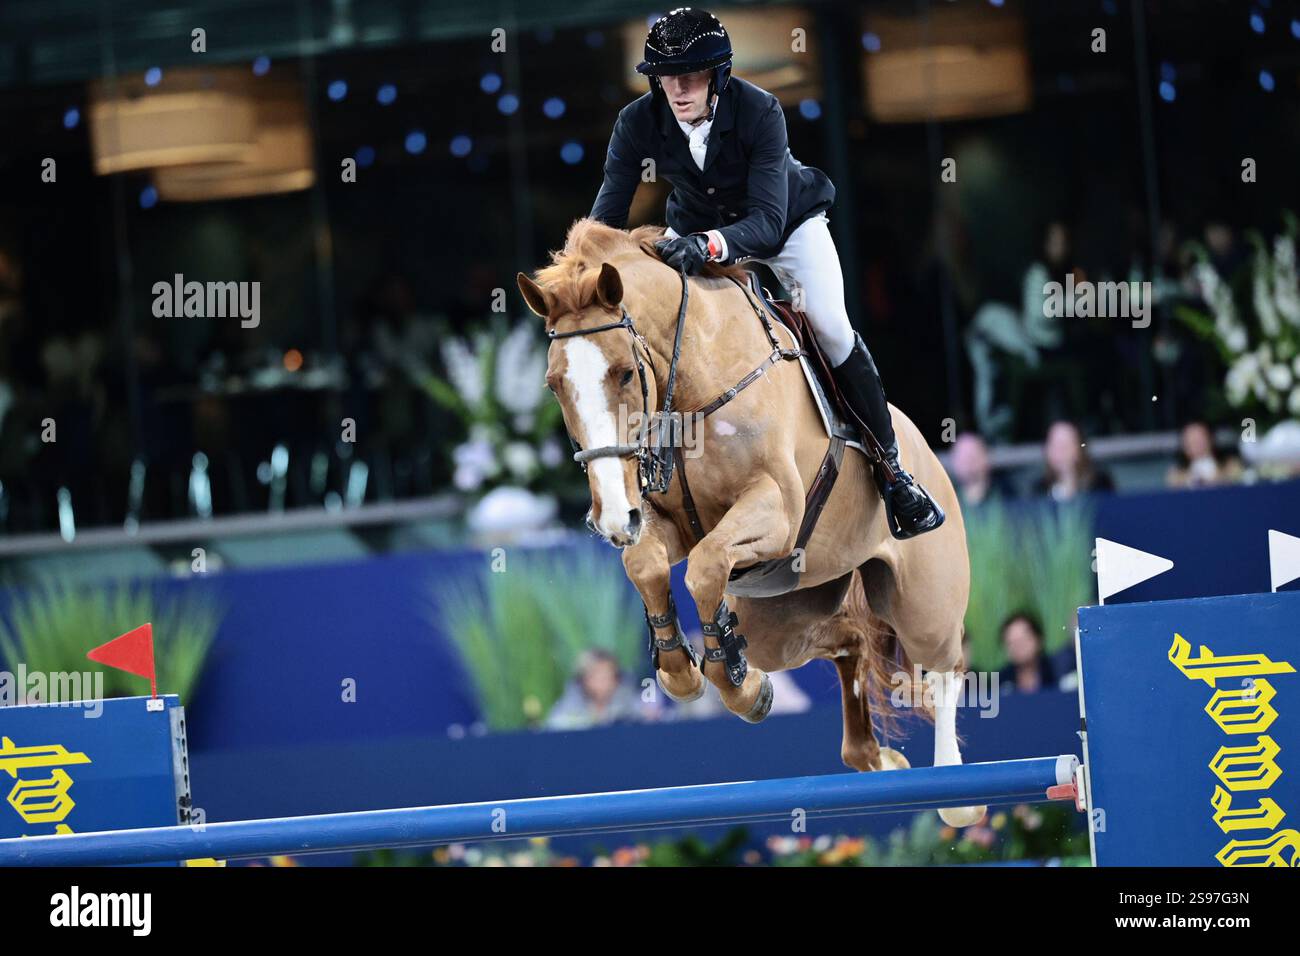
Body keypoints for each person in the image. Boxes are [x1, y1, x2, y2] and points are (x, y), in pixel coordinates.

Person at [588, 7, 941, 539]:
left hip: (785, 228)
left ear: (718, 76)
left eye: (690, 77)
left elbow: (768, 220)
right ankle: (647, 480)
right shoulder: (637, 121)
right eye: (666, 79)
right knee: (671, 340)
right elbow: (608, 218)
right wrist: (580, 278)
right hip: (695, 233)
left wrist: (708, 244)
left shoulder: (760, 111)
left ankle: (892, 470)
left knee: (828, 324)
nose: (677, 90)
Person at [545, 649, 648, 730]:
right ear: (583, 679)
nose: (604, 681)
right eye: (597, 676)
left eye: (608, 675)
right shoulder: (567, 708)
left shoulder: (630, 705)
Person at [1033, 420, 1114, 501]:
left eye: (1065, 446)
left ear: (1079, 450)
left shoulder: (1100, 483)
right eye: (1054, 445)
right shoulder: (1040, 489)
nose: (1059, 452)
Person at [1165, 420, 1242, 489]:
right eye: (1191, 441)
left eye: (1200, 439)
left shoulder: (1231, 465)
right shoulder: (1176, 475)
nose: (1196, 445)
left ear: (1210, 439)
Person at [947, 432, 1016, 507]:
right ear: (953, 462)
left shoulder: (1007, 494)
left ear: (986, 458)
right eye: (962, 457)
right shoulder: (946, 500)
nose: (968, 462)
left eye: (972, 455)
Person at [996, 613, 1056, 695]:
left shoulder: (1056, 672)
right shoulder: (1000, 680)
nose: (1019, 647)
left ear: (1039, 639)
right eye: (1012, 643)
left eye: (1023, 640)